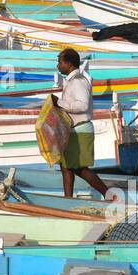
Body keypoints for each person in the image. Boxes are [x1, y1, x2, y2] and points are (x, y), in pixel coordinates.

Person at [53, 48, 109, 199]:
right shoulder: (71, 80)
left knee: (78, 167)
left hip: (80, 130)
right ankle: (68, 200)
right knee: (66, 167)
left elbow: (83, 105)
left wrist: (59, 102)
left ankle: (109, 194)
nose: (58, 65)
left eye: (60, 62)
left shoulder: (78, 81)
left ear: (69, 64)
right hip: (71, 130)